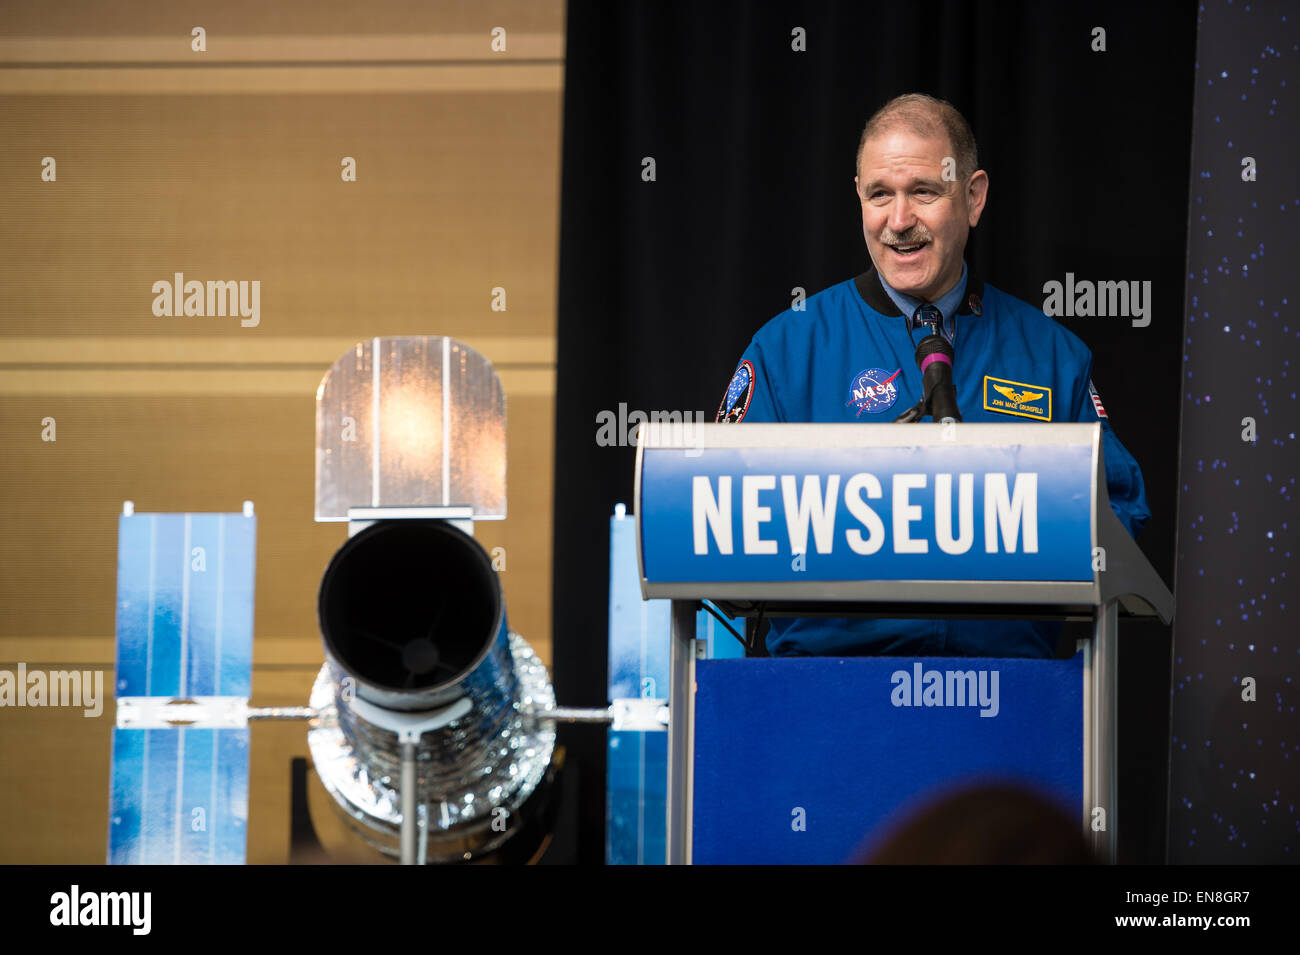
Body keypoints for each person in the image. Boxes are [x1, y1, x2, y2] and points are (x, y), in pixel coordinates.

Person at [715, 93, 1150, 658]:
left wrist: (1007, 519)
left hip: (1009, 705)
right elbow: (719, 529)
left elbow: (1121, 523)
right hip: (826, 706)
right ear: (859, 200)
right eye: (880, 195)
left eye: (924, 192)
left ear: (973, 198)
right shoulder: (786, 349)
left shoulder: (1051, 355)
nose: (899, 222)